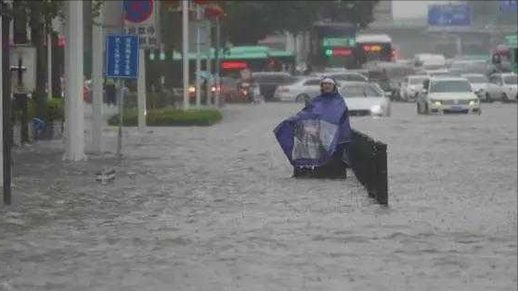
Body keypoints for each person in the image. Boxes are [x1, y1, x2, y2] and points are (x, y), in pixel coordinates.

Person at [274, 76, 352, 179]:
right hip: (318, 137)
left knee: (333, 161)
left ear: (334, 86)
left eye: (329, 84)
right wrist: (293, 120)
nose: (327, 86)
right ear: (321, 86)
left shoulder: (339, 101)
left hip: (335, 138)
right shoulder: (316, 101)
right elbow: (307, 114)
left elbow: (337, 117)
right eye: (325, 84)